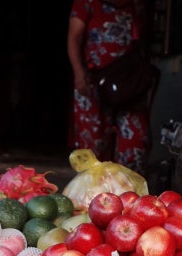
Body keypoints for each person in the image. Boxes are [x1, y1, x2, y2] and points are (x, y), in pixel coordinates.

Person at [67, 0, 152, 176]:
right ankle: (91, 192)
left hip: (128, 82)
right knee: (92, 145)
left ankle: (127, 192)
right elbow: (74, 38)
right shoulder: (86, 3)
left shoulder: (136, 4)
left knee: (135, 141)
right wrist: (79, 73)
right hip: (93, 80)